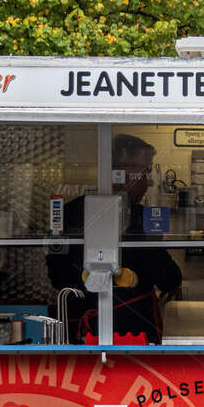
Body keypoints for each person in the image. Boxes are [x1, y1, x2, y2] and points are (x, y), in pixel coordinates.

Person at [48, 134, 183, 343]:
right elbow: (59, 275)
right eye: (145, 171)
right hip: (103, 333)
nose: (149, 181)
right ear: (118, 172)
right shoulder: (71, 216)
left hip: (129, 335)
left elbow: (170, 278)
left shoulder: (142, 218)